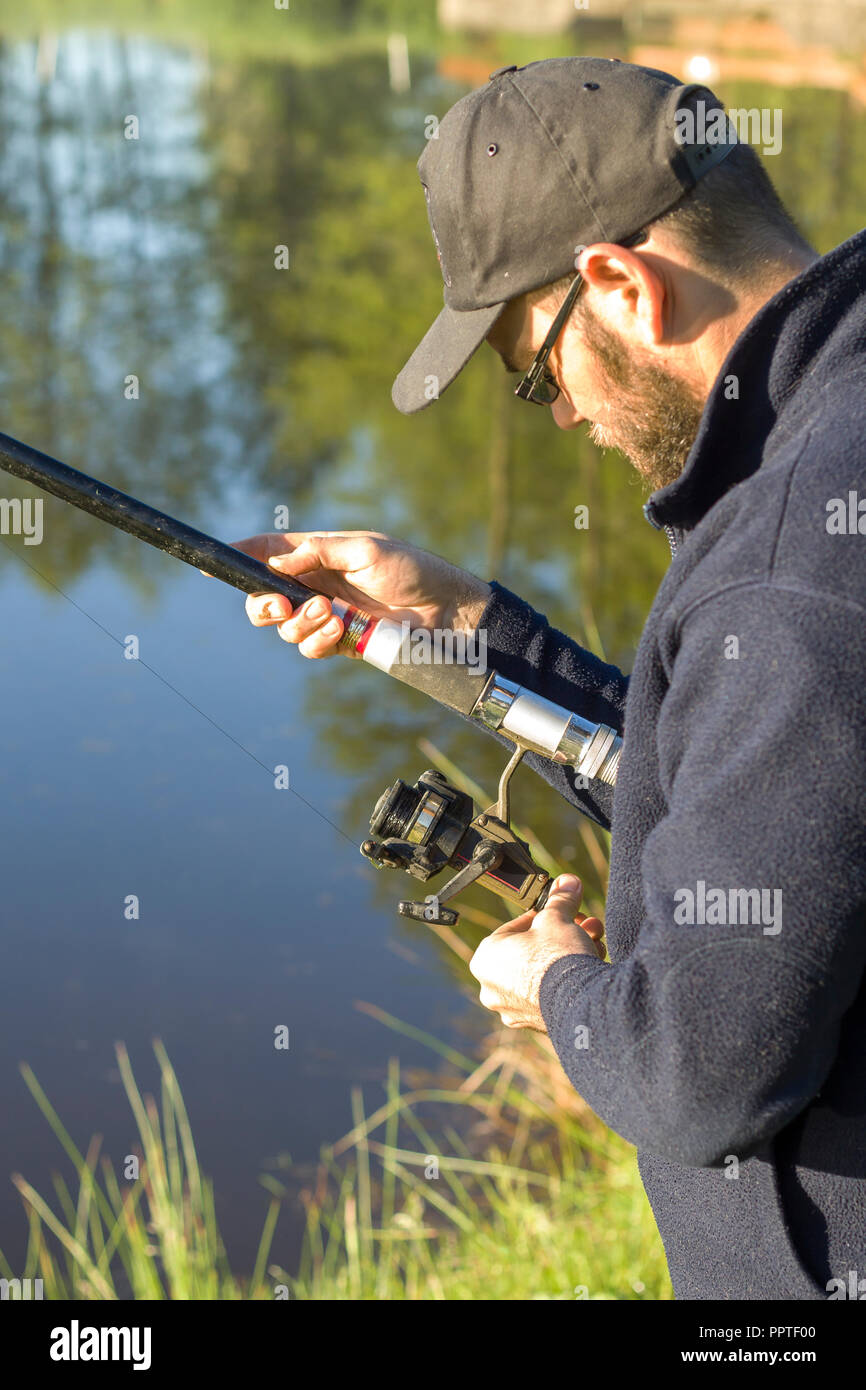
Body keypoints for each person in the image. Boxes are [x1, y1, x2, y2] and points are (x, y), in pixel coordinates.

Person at [233, 59, 866, 1300]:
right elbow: (764, 778)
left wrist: (556, 988)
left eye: (534, 369)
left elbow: (696, 1073)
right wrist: (470, 629)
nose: (560, 414)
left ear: (618, 284)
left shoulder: (783, 566)